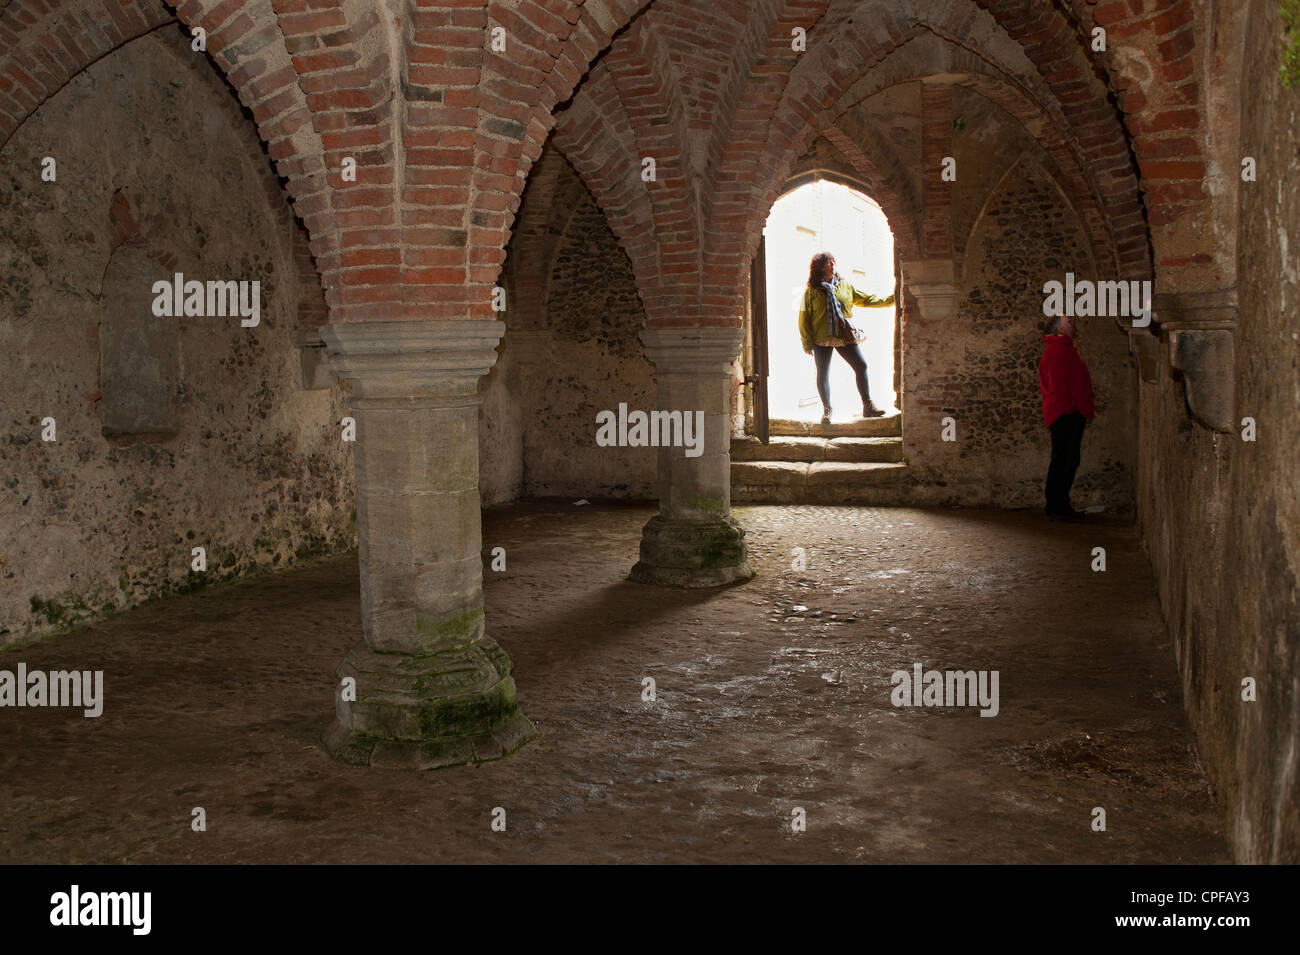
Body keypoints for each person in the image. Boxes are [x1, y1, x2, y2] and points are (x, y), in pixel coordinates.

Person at [798, 252, 895, 424]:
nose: (832, 264)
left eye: (833, 261)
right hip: (821, 338)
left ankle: (868, 406)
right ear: (820, 267)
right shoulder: (810, 292)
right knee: (823, 373)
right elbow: (803, 319)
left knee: (861, 365)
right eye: (828, 262)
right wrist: (807, 343)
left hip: (844, 336)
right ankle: (827, 410)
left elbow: (866, 300)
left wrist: (891, 300)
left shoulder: (845, 286)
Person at [1038, 313, 1096, 521]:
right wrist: (1069, 409)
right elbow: (1057, 385)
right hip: (1064, 413)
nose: (1073, 322)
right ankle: (1055, 507)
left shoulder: (1066, 348)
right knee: (1063, 460)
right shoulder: (1055, 350)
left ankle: (1061, 505)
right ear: (1059, 329)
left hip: (1070, 412)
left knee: (1069, 460)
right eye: (1068, 321)